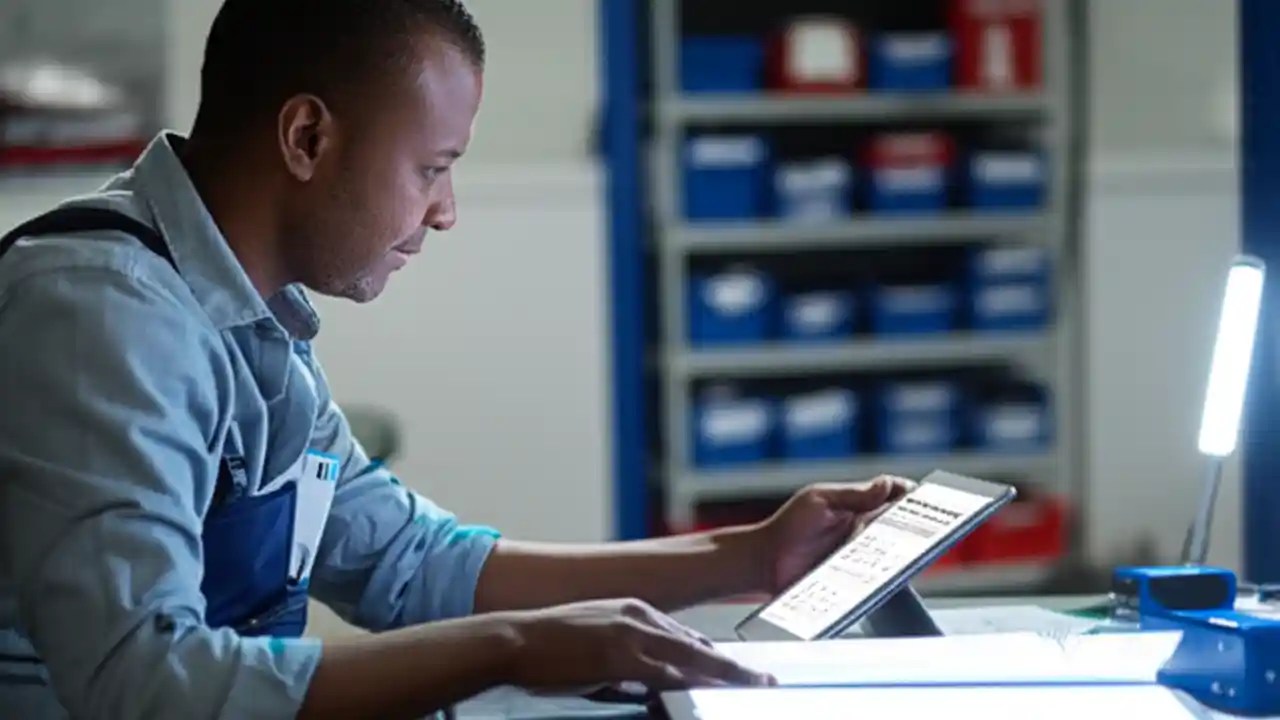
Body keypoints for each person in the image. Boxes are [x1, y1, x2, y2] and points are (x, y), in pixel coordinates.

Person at [0, 1, 914, 718]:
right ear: (308, 138)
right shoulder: (101, 311)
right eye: (433, 167)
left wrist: (749, 555)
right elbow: (146, 685)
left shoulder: (253, 322)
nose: (446, 211)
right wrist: (511, 647)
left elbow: (412, 563)